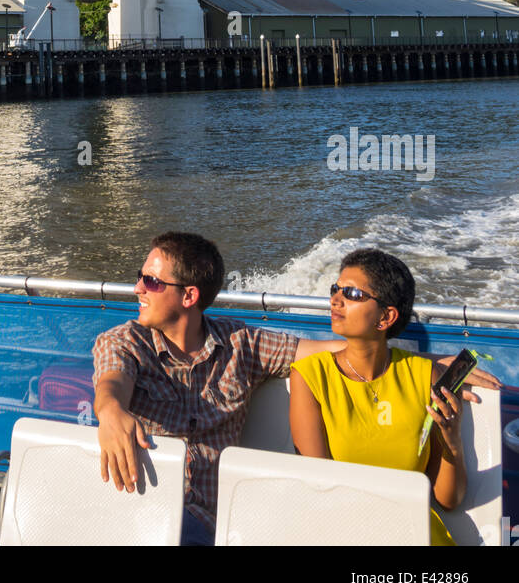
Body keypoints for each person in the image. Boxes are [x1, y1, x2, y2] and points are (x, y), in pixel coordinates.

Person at [93, 232, 496, 545]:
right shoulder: (124, 342)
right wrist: (110, 411)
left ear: (189, 295)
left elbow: (335, 348)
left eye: (150, 280)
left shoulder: (242, 345)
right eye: (334, 291)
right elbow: (112, 379)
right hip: (142, 512)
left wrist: (430, 362)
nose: (138, 288)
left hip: (210, 525)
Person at [290, 248, 464, 545]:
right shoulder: (310, 377)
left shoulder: (426, 377)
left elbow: (448, 500)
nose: (335, 299)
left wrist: (451, 441)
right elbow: (319, 487)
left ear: (385, 317)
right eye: (336, 289)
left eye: (352, 293)